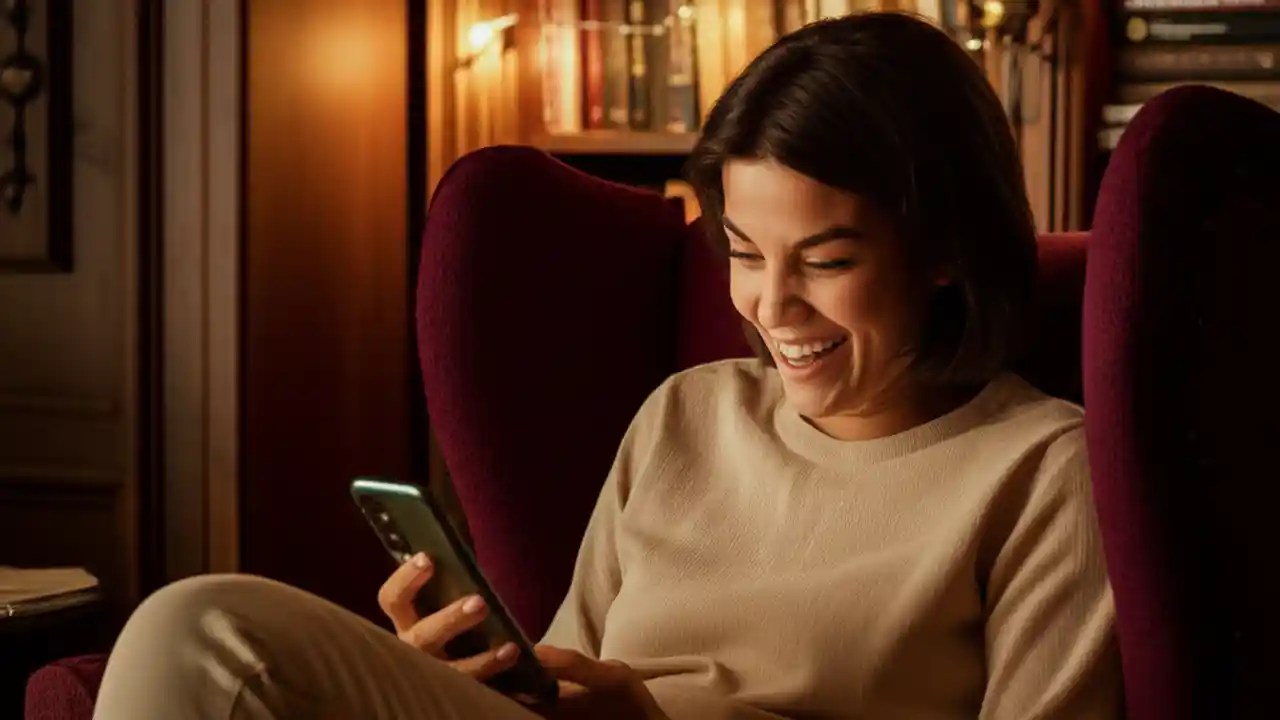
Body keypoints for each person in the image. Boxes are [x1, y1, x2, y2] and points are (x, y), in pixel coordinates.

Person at [93, 12, 1121, 720]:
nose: (770, 307)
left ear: (943, 250)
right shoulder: (686, 414)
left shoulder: (1040, 473)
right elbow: (565, 662)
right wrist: (476, 676)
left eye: (827, 260)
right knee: (199, 627)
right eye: (744, 255)